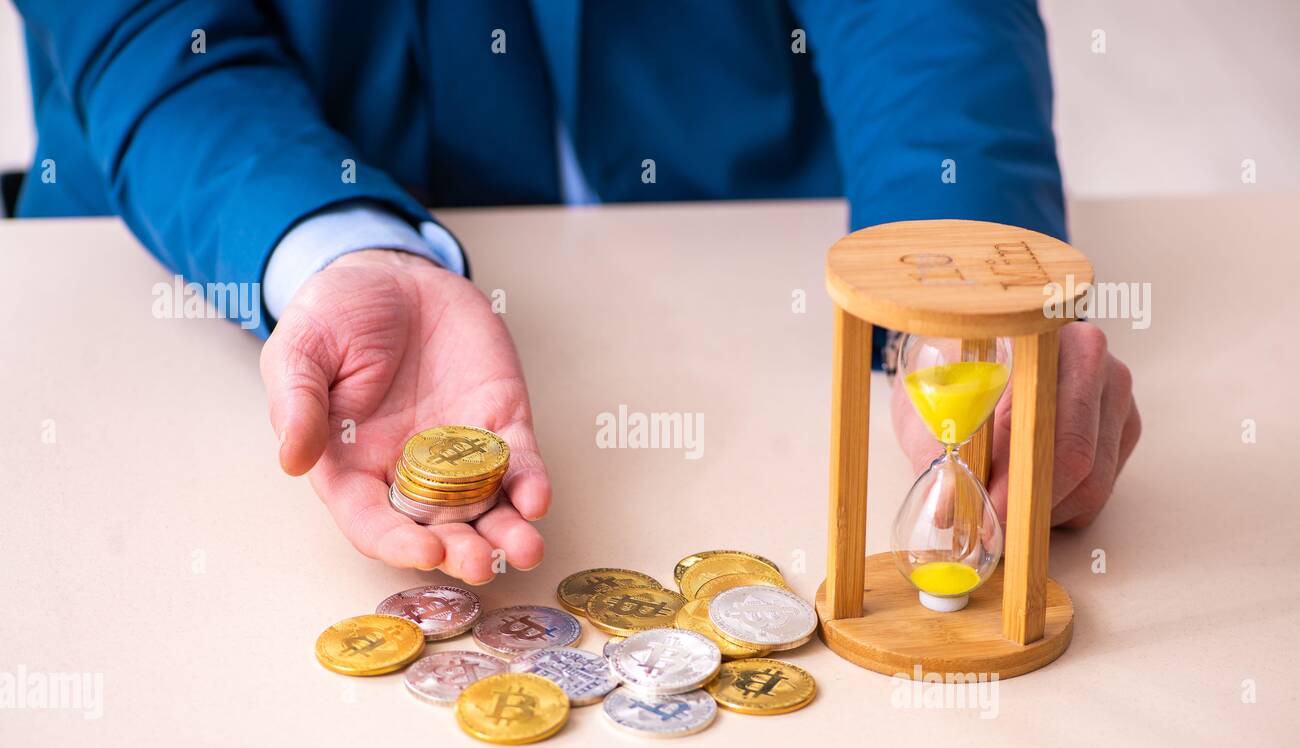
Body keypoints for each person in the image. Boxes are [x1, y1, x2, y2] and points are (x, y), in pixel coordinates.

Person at [13, 0, 1139, 584]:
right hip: (212, 232)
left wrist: (956, 272)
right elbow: (146, 28)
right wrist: (337, 251)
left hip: (733, 245)